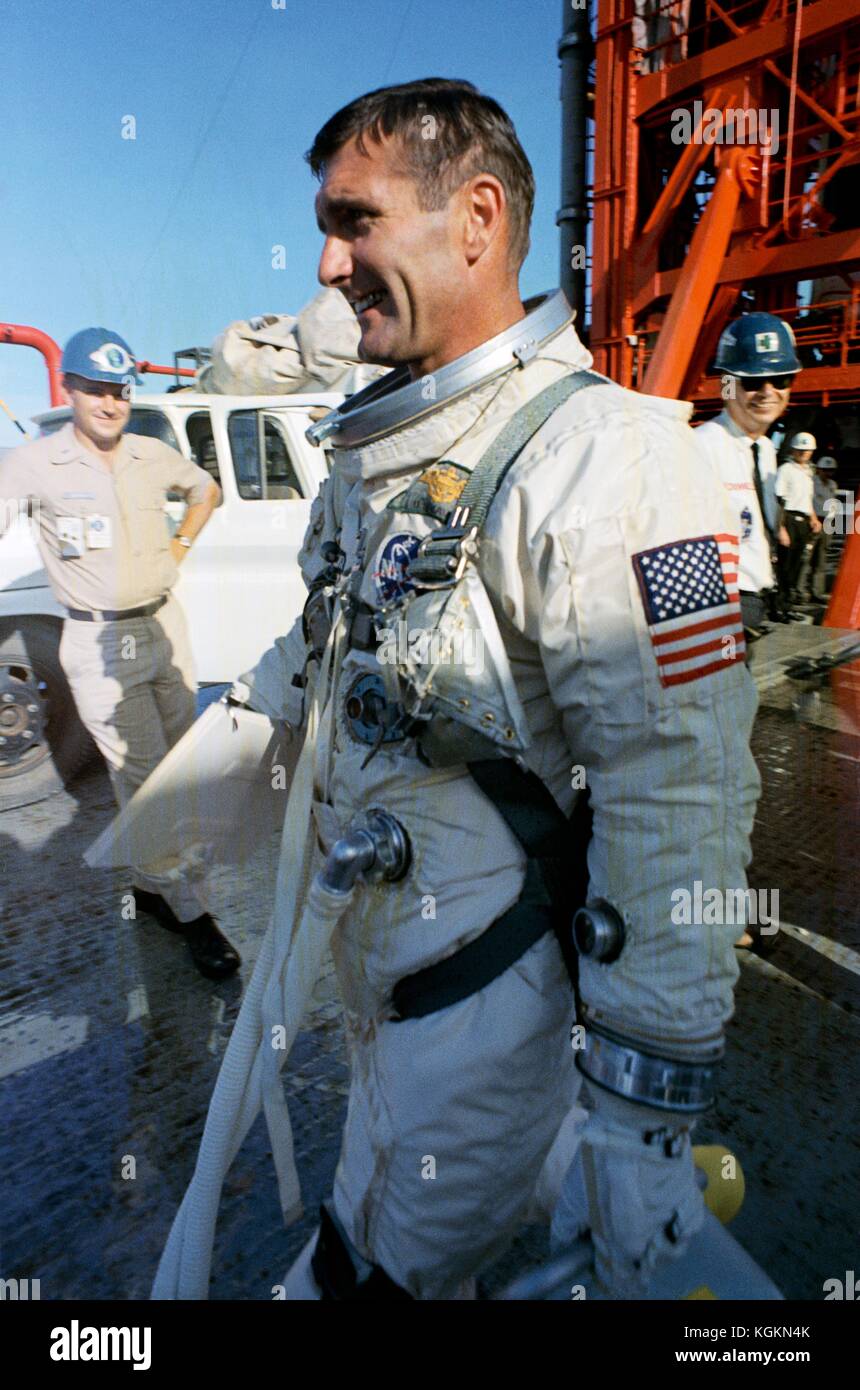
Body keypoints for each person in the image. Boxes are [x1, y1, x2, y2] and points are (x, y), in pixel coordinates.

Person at [153, 79, 761, 1302]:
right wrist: (194, 776)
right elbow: (331, 641)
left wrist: (643, 1121)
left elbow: (675, 788)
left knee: (367, 1273)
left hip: (490, 1013)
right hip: (389, 995)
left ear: (475, 218)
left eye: (353, 220)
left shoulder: (616, 460)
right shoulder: (381, 459)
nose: (326, 260)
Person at [0, 327, 240, 980]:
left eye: (121, 391)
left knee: (175, 766)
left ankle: (149, 879)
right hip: (98, 638)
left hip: (165, 626)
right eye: (97, 389)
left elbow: (206, 492)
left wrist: (178, 549)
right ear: (70, 387)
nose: (110, 403)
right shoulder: (31, 466)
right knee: (148, 778)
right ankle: (195, 917)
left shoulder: (149, 455)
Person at [696, 311, 802, 640]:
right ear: (728, 385)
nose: (768, 391)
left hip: (756, 601)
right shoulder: (701, 447)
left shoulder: (768, 450)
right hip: (721, 607)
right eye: (753, 382)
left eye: (781, 379)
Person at [775, 431, 822, 610]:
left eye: (807, 450)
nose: (804, 453)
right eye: (800, 450)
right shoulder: (786, 469)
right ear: (793, 450)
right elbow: (780, 500)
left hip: (803, 521)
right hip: (788, 519)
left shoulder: (808, 471)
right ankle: (779, 607)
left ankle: (787, 606)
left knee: (797, 565)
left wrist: (813, 519)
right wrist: (781, 528)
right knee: (784, 566)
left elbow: (806, 499)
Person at [804, 455, 839, 601]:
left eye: (830, 471)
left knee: (821, 558)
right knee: (806, 557)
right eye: (825, 470)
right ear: (818, 470)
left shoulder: (833, 485)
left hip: (827, 522)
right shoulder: (811, 483)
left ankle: (816, 592)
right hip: (813, 520)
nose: (828, 473)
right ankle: (800, 591)